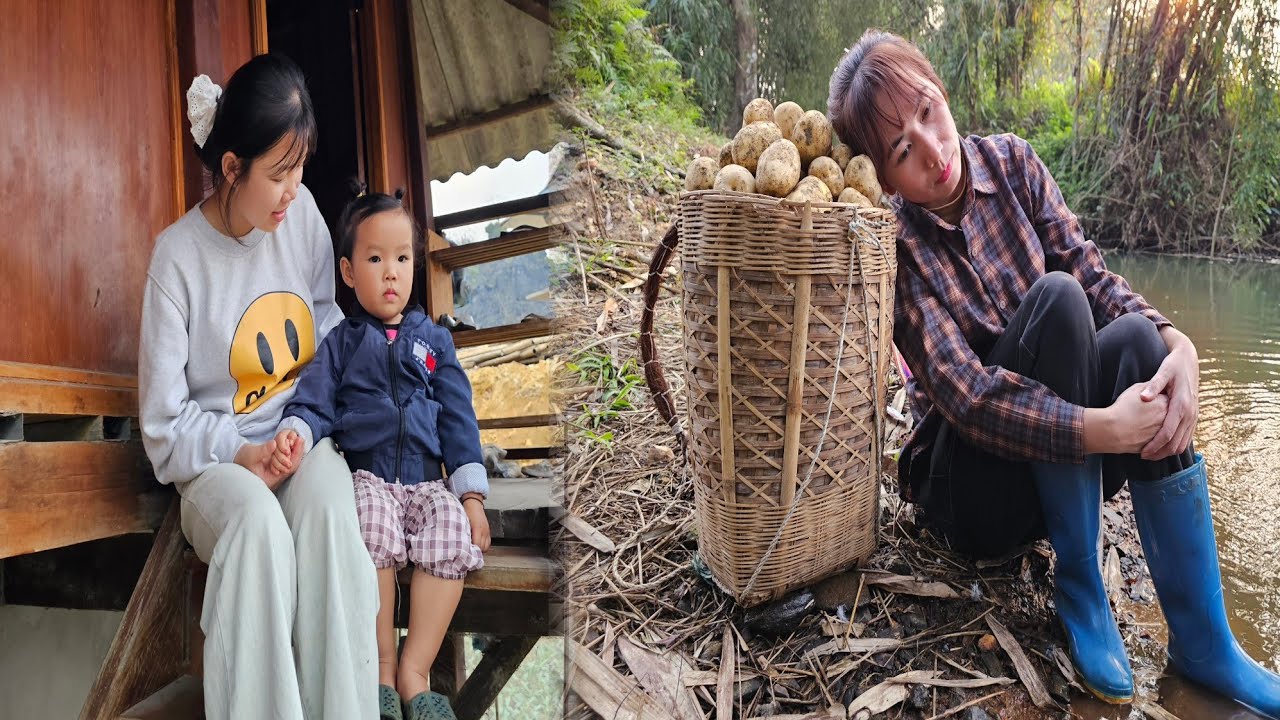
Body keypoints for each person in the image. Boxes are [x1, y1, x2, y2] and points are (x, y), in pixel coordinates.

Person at [827, 29, 1280, 716]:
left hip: (1056, 472)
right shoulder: (895, 242)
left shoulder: (1012, 163)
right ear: (883, 177)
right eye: (901, 151)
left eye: (928, 113)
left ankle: (1203, 644)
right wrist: (1101, 428)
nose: (932, 149)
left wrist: (1178, 342)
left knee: (1134, 342)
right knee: (1058, 301)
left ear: (942, 94)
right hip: (975, 490)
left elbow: (1092, 271)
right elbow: (968, 396)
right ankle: (1080, 589)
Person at [138, 54, 378, 719]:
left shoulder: (299, 220)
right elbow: (162, 428)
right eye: (278, 174)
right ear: (232, 167)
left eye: (299, 170)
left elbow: (327, 322)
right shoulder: (177, 260)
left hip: (297, 435)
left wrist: (305, 423)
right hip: (217, 467)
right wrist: (240, 452)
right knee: (257, 528)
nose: (293, 191)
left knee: (331, 516)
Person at [272, 186, 491, 720]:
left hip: (426, 481)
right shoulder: (342, 344)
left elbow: (458, 418)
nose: (391, 272)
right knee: (368, 530)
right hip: (368, 478)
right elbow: (314, 401)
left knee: (448, 532)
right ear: (348, 273)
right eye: (375, 259)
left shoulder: (435, 342)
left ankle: (416, 671)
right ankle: (382, 667)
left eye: (401, 258)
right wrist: (295, 433)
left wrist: (471, 497)